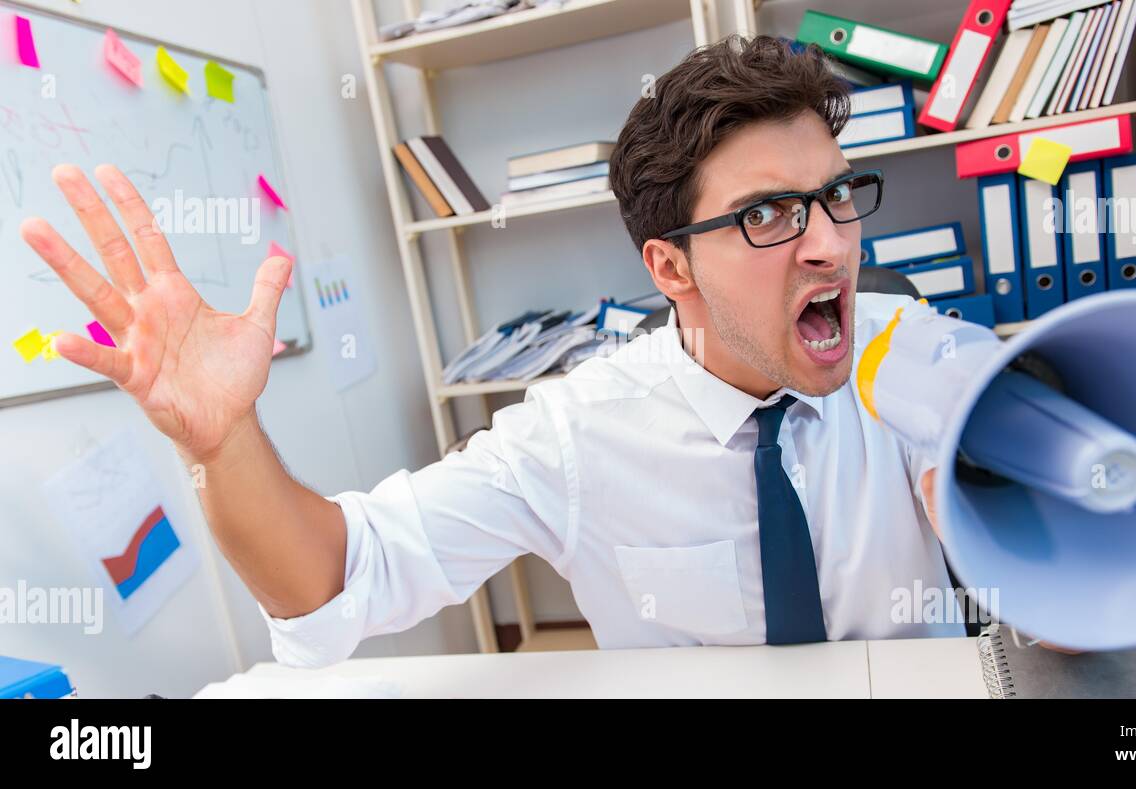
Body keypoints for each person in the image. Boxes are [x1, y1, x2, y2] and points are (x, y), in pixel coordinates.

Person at [20, 35, 973, 668]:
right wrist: (223, 443)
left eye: (837, 196)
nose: (831, 244)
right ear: (669, 267)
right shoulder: (576, 431)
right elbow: (338, 579)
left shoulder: (913, 357)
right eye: (769, 212)